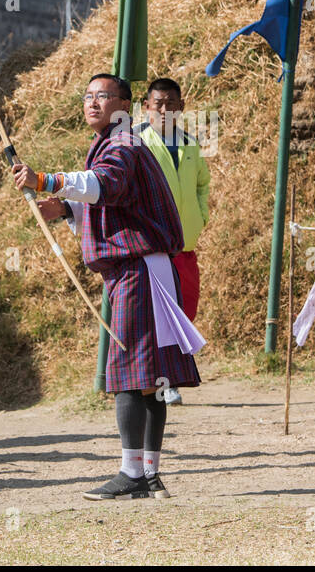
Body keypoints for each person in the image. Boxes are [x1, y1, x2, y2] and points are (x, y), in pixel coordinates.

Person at [11, 73, 204, 501]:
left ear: (124, 104)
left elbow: (107, 185)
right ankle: (149, 475)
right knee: (149, 376)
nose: (93, 102)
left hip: (140, 271)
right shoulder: (119, 142)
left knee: (131, 374)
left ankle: (132, 472)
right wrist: (66, 209)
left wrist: (45, 180)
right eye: (88, 96)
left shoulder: (122, 143)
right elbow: (114, 205)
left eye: (103, 96)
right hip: (148, 268)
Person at [136, 78, 211, 404]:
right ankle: (163, 381)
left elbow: (202, 185)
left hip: (186, 246)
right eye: (158, 103)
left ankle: (170, 376)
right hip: (155, 248)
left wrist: (201, 217)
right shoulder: (137, 144)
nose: (165, 110)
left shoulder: (190, 144)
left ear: (182, 107)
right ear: (147, 107)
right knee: (159, 317)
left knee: (185, 311)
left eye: (171, 103)